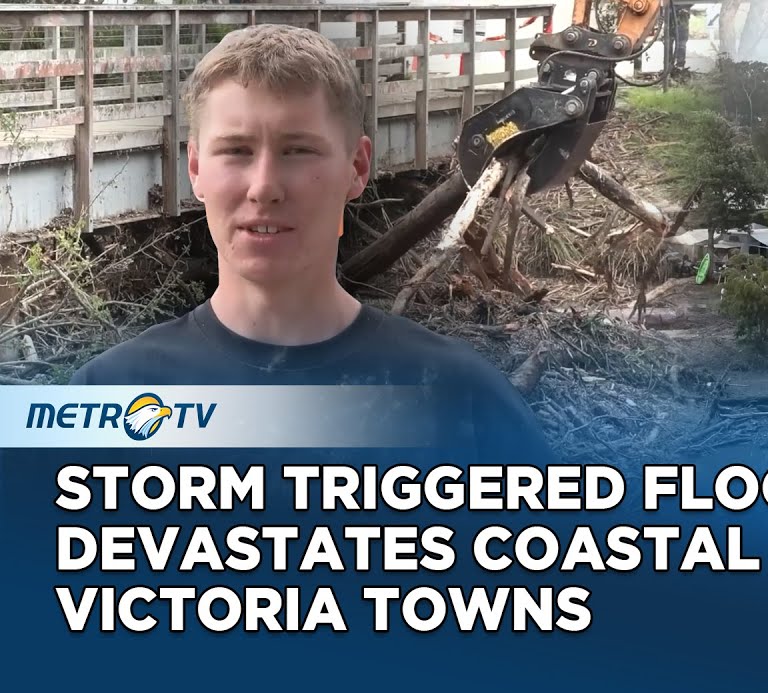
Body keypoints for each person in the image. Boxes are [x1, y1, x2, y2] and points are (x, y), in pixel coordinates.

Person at [68, 24, 553, 464]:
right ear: (195, 169)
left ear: (357, 168)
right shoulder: (109, 400)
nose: (264, 187)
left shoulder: (461, 400)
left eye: (297, 151)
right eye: (236, 150)